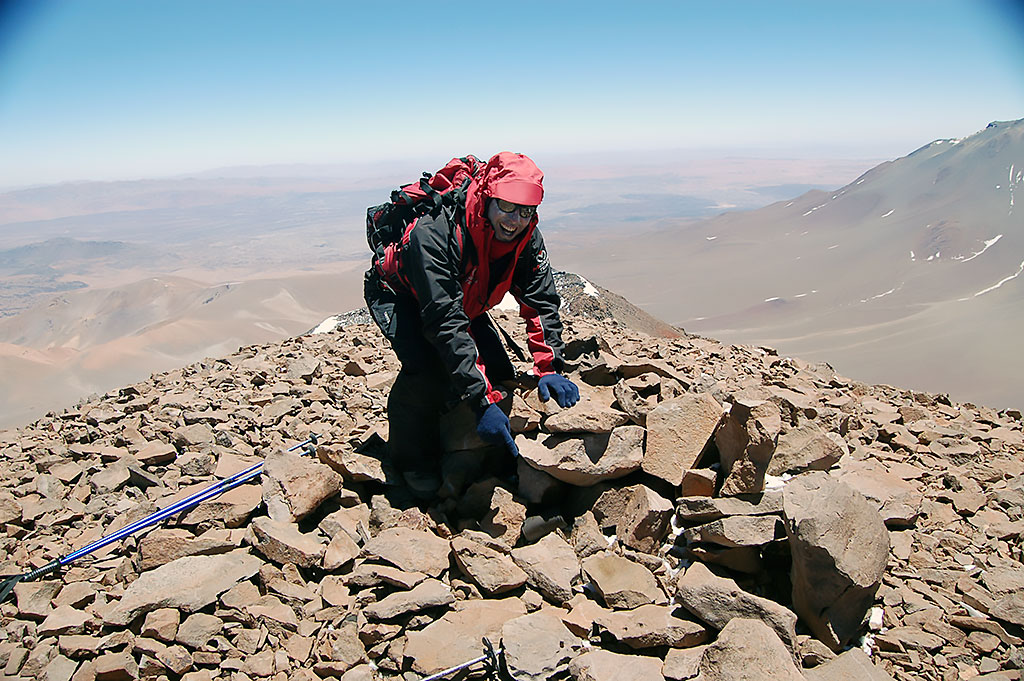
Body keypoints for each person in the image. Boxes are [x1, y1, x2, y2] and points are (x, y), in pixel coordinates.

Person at [363, 152, 580, 498]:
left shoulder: (526, 238)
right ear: (488, 197)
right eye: (508, 207)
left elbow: (540, 300)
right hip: (402, 296)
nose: (515, 220)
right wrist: (481, 401)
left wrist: (549, 367)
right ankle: (410, 461)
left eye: (526, 211)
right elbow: (445, 322)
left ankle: (475, 443)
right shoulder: (436, 231)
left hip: (466, 295)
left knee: (495, 368)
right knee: (427, 368)